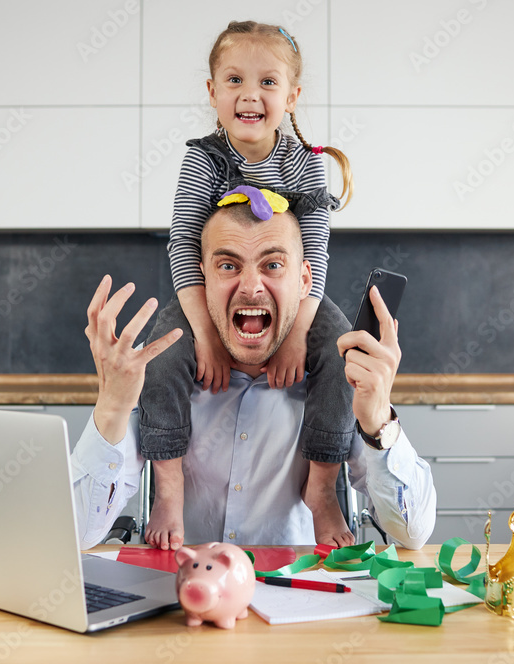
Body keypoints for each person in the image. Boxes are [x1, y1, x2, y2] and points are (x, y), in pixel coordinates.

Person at [72, 187, 436, 550]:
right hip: (182, 595)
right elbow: (79, 533)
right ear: (202, 281)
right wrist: (113, 407)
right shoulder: (149, 370)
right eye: (228, 265)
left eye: (273, 265)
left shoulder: (338, 379)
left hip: (301, 592)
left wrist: (378, 421)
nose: (250, 287)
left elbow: (413, 534)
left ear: (305, 280)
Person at [139, 19, 357, 550]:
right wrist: (206, 335)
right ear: (212, 92)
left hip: (297, 296)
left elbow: (316, 251)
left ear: (292, 96)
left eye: (267, 82)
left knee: (342, 353)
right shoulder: (203, 158)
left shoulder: (306, 164)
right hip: (204, 291)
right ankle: (167, 489)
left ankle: (323, 490)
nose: (249, 95)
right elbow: (184, 244)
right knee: (161, 354)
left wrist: (301, 329)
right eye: (234, 80)